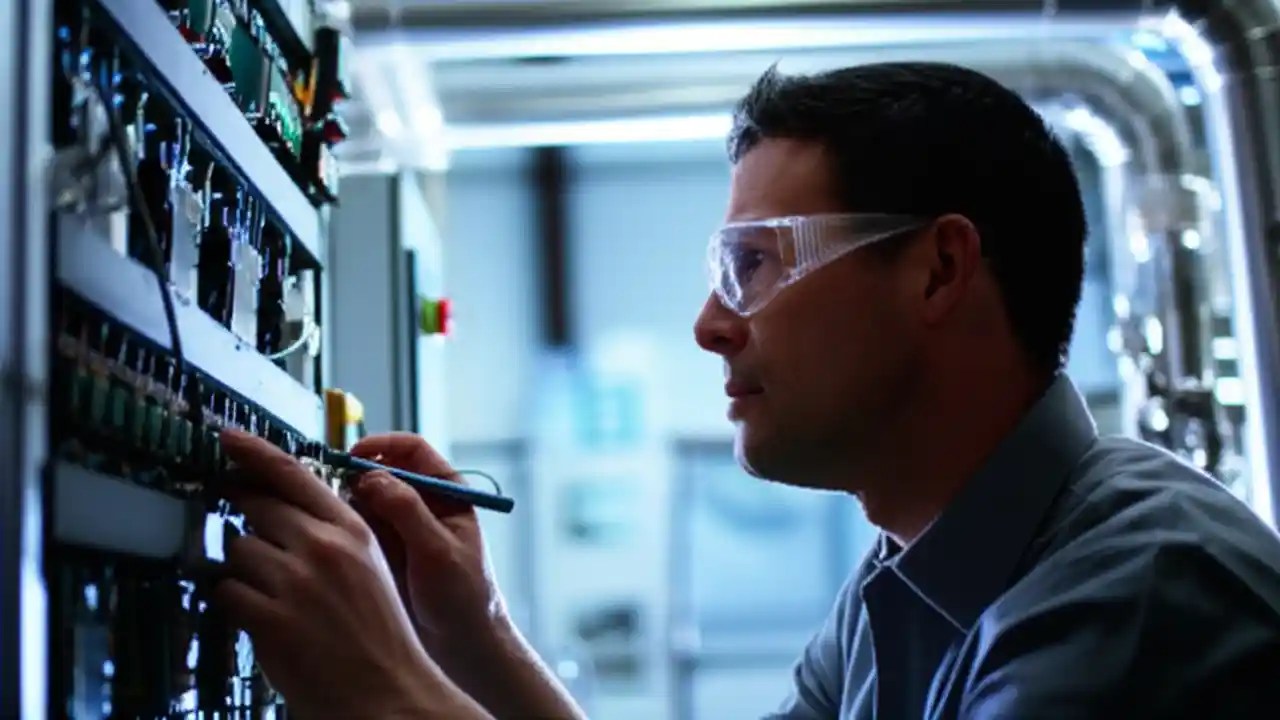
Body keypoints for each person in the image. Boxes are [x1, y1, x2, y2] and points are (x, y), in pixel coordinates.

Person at [213, 61, 1280, 719]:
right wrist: (469, 632)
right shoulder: (904, 587)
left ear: (938, 271)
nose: (709, 324)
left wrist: (386, 698)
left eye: (753, 266)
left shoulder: (1133, 597)